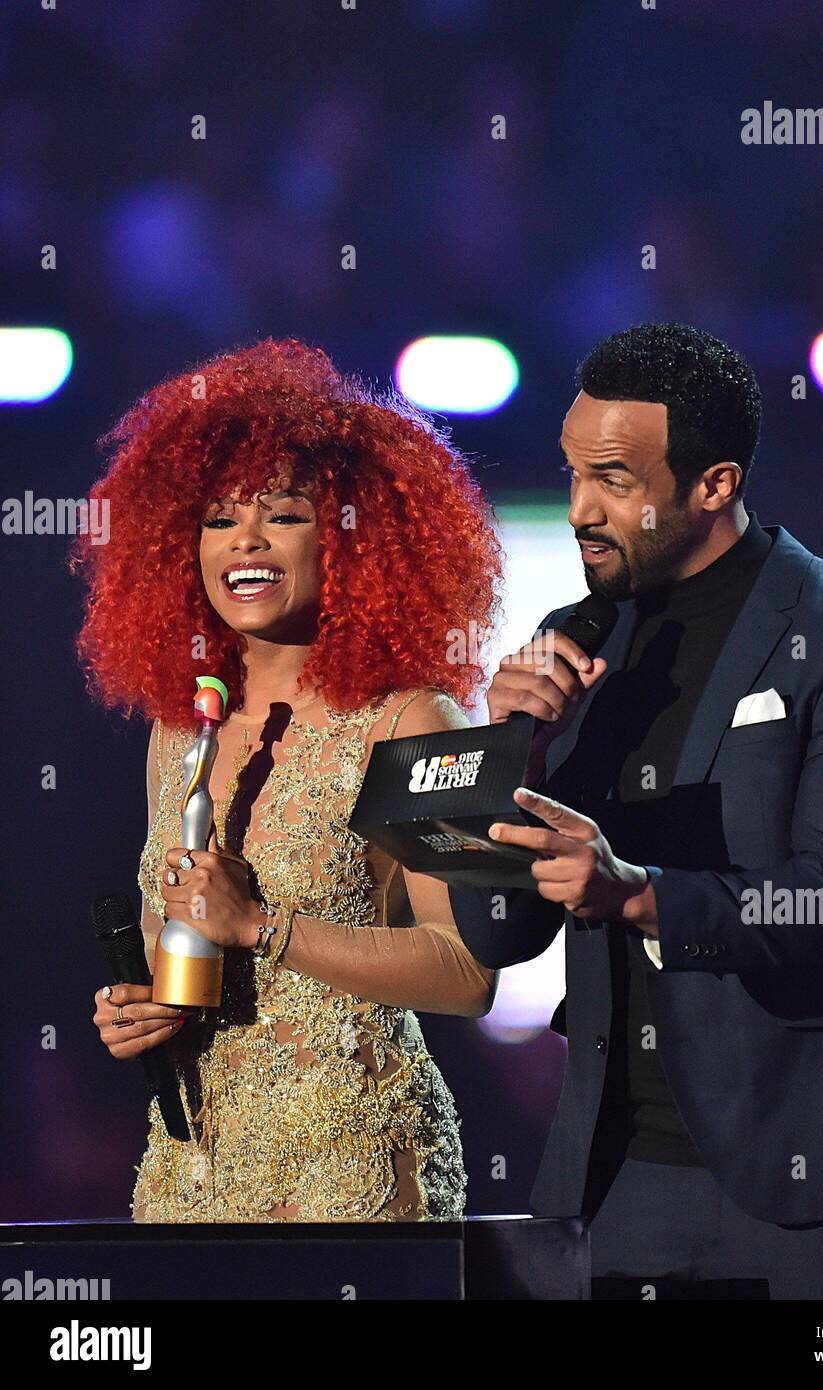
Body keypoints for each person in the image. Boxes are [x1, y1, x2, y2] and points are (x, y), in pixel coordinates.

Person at [449, 321, 823, 1299]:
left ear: (714, 484)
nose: (578, 509)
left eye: (613, 480)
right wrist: (505, 749)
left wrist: (639, 895)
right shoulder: (574, 640)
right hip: (618, 1183)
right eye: (571, 473)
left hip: (820, 1183)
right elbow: (495, 928)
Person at [77, 337, 501, 1222]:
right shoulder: (176, 728)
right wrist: (142, 1010)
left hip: (349, 1167)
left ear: (358, 538)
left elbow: (467, 971)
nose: (247, 542)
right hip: (194, 1164)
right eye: (218, 518)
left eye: (284, 513)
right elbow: (174, 945)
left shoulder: (417, 722)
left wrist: (263, 926)